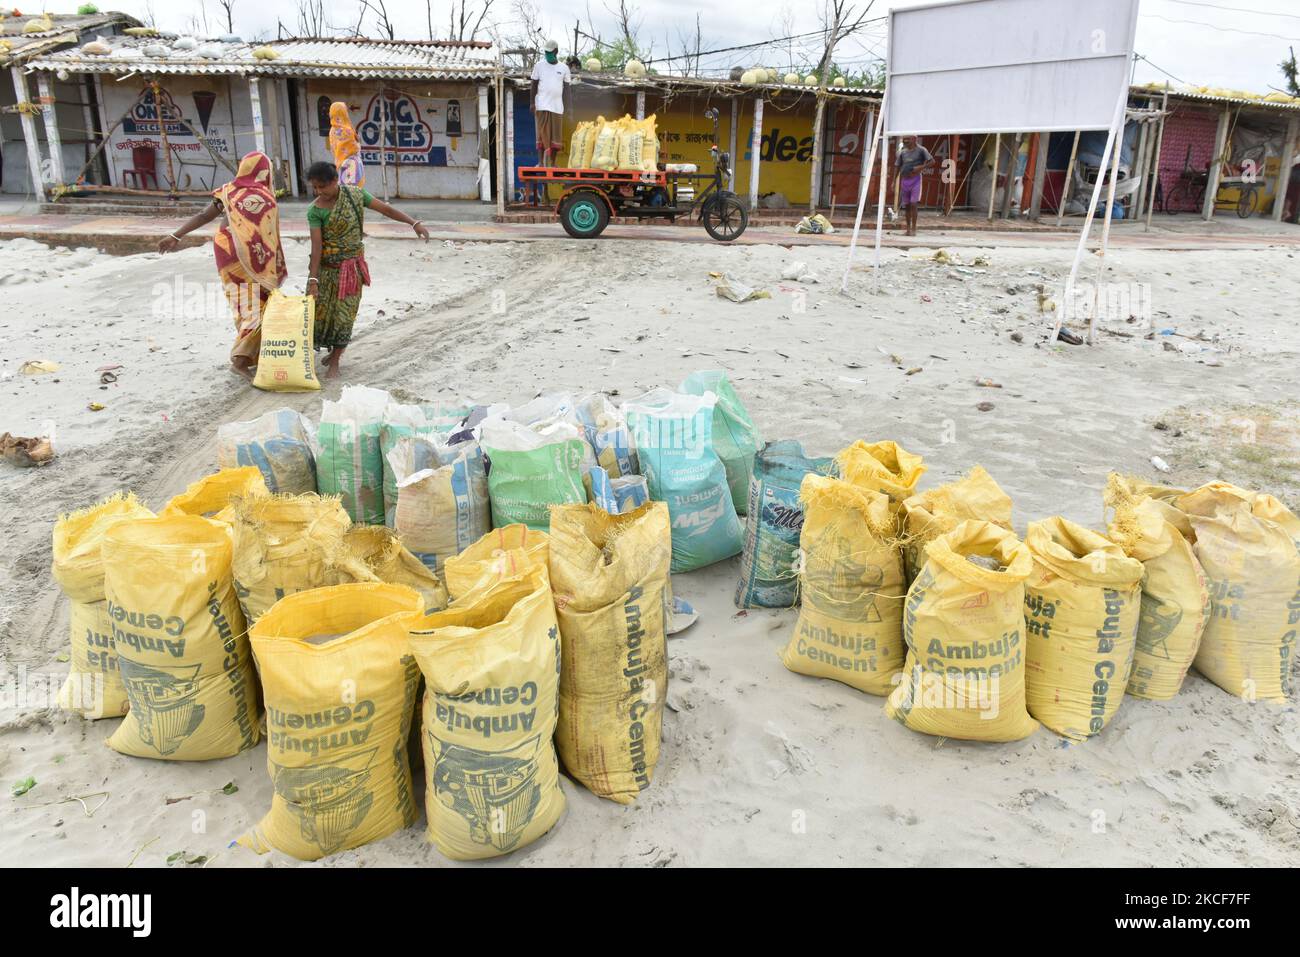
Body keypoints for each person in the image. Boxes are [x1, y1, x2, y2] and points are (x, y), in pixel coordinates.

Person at [158, 151, 287, 381]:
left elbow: (203, 215)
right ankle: (239, 361)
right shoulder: (264, 195)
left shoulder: (229, 190)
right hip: (245, 255)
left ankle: (250, 355)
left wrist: (176, 236)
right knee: (257, 304)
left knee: (246, 302)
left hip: (225, 248)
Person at [305, 161, 430, 379]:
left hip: (351, 270)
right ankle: (333, 351)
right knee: (323, 317)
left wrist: (413, 223)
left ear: (335, 181)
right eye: (314, 187)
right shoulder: (315, 211)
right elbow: (316, 247)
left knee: (345, 315)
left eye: (322, 186)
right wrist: (313, 280)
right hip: (326, 270)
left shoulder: (355, 195)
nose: (318, 192)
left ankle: (335, 361)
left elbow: (386, 209)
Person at [530, 39, 570, 202]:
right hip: (542, 105)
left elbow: (567, 91)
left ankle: (552, 163)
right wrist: (532, 102)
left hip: (557, 107)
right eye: (545, 53)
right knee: (541, 134)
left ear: (556, 52)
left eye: (550, 53)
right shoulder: (539, 66)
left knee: (555, 138)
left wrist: (570, 108)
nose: (547, 55)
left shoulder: (564, 68)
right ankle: (540, 162)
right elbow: (533, 84)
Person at [896, 135, 937, 237]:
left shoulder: (921, 150)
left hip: (916, 180)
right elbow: (897, 166)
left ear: (914, 139)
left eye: (907, 139)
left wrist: (921, 167)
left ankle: (914, 228)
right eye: (904, 139)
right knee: (907, 206)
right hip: (905, 181)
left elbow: (932, 161)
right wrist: (894, 181)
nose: (905, 141)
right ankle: (908, 229)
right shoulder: (902, 152)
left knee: (914, 204)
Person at [328, 101, 366, 188]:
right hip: (351, 164)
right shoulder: (347, 130)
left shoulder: (332, 130)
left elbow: (333, 149)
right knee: (354, 191)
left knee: (344, 190)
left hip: (340, 164)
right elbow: (355, 148)